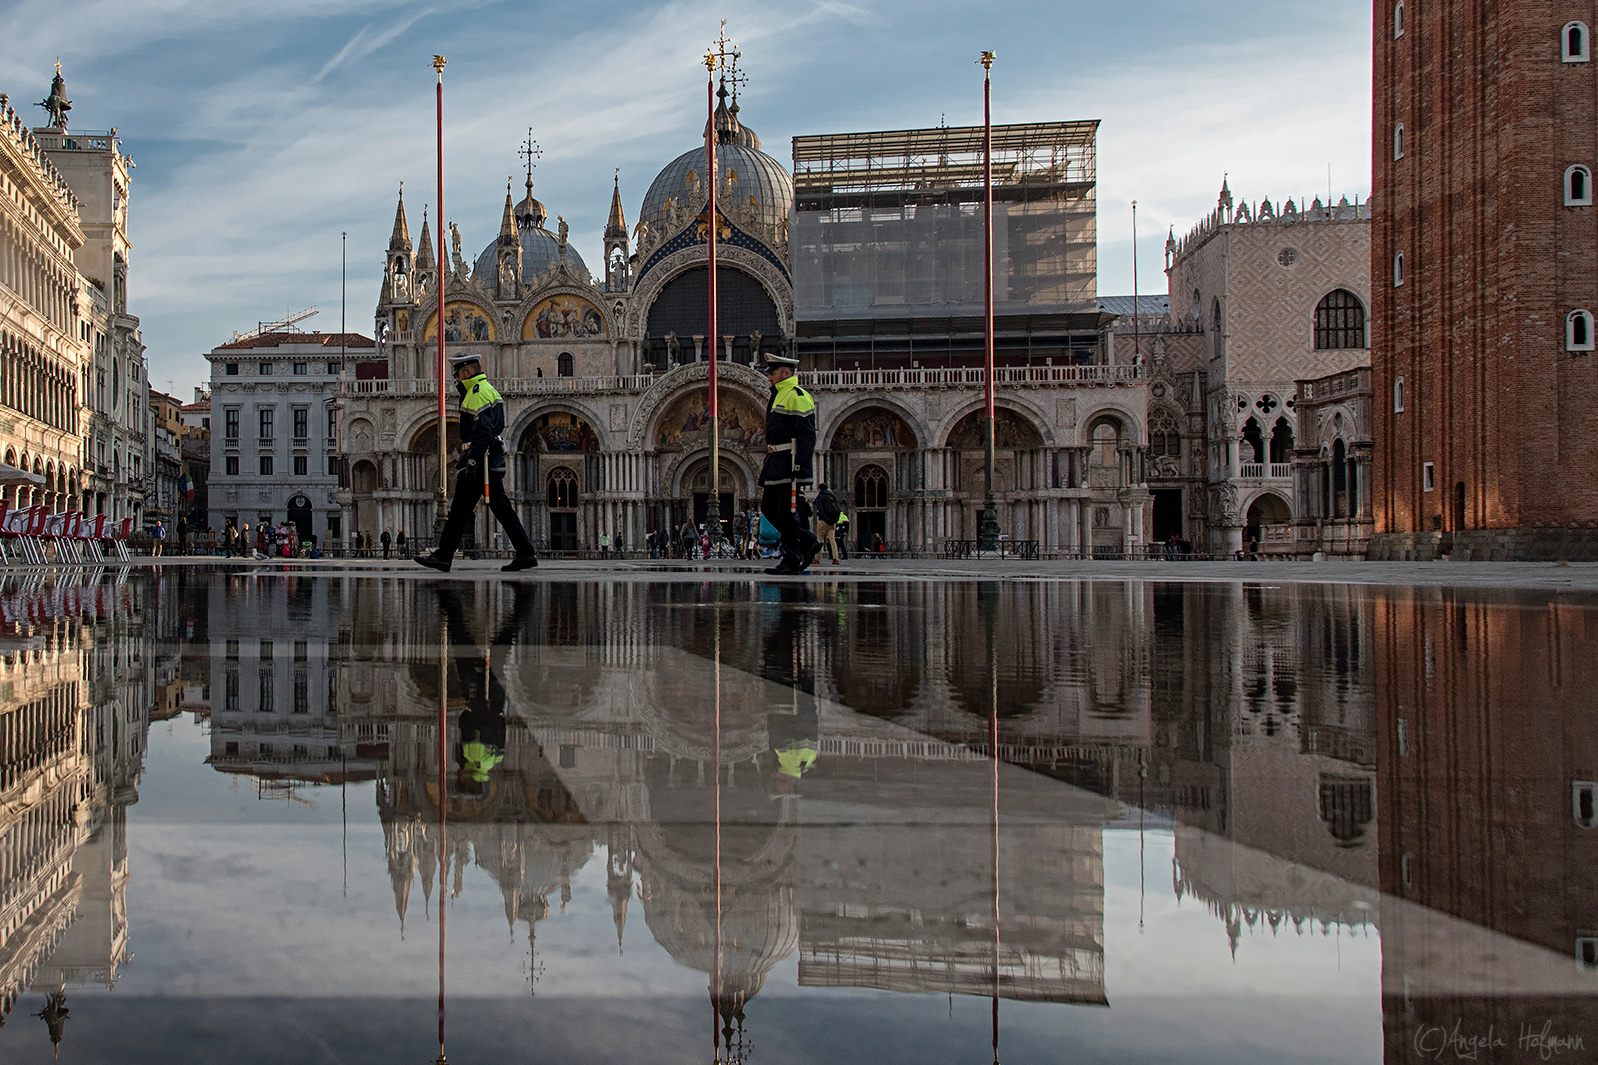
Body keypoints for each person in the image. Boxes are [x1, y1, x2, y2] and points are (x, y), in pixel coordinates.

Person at [416, 353, 538, 572]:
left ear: (468, 372)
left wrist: (472, 462)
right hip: (488, 457)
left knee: (462, 510)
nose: (456, 380)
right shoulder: (488, 389)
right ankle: (525, 552)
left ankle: (444, 556)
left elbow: (482, 430)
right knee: (493, 508)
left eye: (458, 375)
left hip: (481, 458)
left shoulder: (477, 392)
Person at [757, 352, 821, 575]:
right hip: (776, 460)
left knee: (787, 510)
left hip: (789, 460)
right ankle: (808, 541)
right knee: (768, 508)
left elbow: (806, 432)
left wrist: (801, 463)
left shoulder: (797, 395)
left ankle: (792, 557)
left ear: (786, 373)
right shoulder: (779, 395)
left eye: (772, 373)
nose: (769, 377)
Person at [812, 483, 841, 565]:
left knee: (819, 540)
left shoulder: (820, 497)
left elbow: (820, 510)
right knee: (832, 540)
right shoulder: (832, 496)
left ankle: (817, 559)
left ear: (819, 489)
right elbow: (838, 509)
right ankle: (835, 558)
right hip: (832, 522)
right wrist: (834, 520)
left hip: (823, 522)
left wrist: (826, 519)